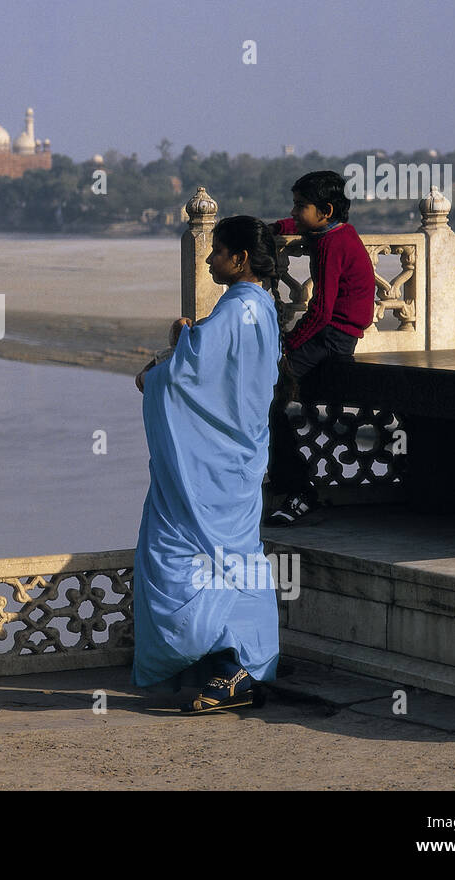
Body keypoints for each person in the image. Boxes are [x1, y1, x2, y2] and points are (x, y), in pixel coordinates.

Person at [132, 216, 282, 713]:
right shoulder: (263, 309)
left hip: (210, 472)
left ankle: (226, 670)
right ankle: (237, 665)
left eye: (217, 251)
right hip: (238, 460)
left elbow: (187, 375)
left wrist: (160, 365)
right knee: (235, 558)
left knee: (174, 553)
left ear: (239, 258)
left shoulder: (236, 309)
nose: (210, 259)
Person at [264, 171, 375, 526]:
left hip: (332, 336)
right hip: (337, 332)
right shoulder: (332, 231)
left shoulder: (332, 244)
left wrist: (289, 345)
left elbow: (321, 311)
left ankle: (298, 491)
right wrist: (278, 227)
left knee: (270, 395)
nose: (294, 213)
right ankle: (289, 484)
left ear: (325, 211)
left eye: (300, 206)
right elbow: (300, 225)